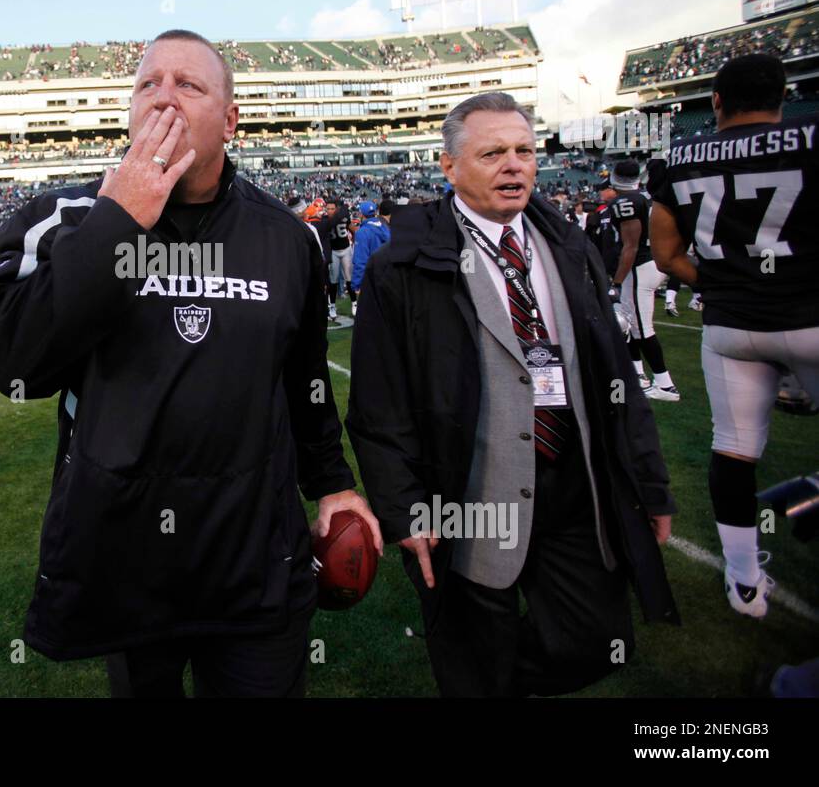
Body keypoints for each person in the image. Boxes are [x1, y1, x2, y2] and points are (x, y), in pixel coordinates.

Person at [0, 29, 379, 697]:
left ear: (231, 120)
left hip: (256, 563)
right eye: (147, 85)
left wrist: (332, 482)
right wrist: (117, 223)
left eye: (189, 85)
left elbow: (305, 382)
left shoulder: (286, 238)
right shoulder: (65, 218)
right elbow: (14, 363)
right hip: (129, 562)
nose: (164, 98)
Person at [347, 92, 678, 697]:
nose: (514, 165)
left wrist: (649, 483)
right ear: (448, 167)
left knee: (597, 643)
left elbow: (617, 381)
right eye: (493, 152)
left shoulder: (569, 248)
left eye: (524, 151)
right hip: (467, 498)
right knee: (472, 664)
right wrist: (404, 509)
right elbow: (378, 404)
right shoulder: (403, 266)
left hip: (574, 489)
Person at [650, 53, 818, 619]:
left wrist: (724, 283)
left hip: (732, 325)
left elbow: (666, 254)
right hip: (810, 315)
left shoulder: (679, 160)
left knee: (734, 448)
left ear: (716, 101)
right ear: (784, 96)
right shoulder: (808, 137)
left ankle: (744, 584)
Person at [607, 160, 679, 401]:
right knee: (630, 325)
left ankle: (665, 385)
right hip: (651, 263)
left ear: (615, 176)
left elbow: (631, 246)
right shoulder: (645, 197)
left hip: (639, 266)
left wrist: (615, 283)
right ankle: (638, 375)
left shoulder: (625, 201)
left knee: (641, 328)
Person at [350, 199, 392, 316]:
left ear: (361, 214)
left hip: (371, 277)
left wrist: (357, 284)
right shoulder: (386, 227)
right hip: (388, 275)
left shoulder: (362, 232)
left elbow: (360, 260)